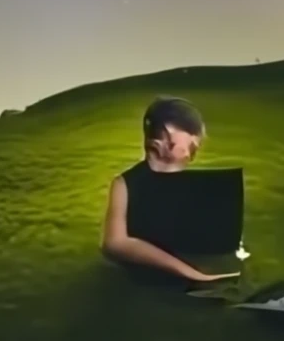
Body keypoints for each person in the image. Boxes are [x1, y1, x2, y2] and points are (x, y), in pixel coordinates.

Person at [100, 95, 241, 285]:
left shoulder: (199, 187)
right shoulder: (124, 184)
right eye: (191, 138)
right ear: (166, 138)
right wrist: (191, 273)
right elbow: (114, 244)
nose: (196, 144)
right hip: (148, 284)